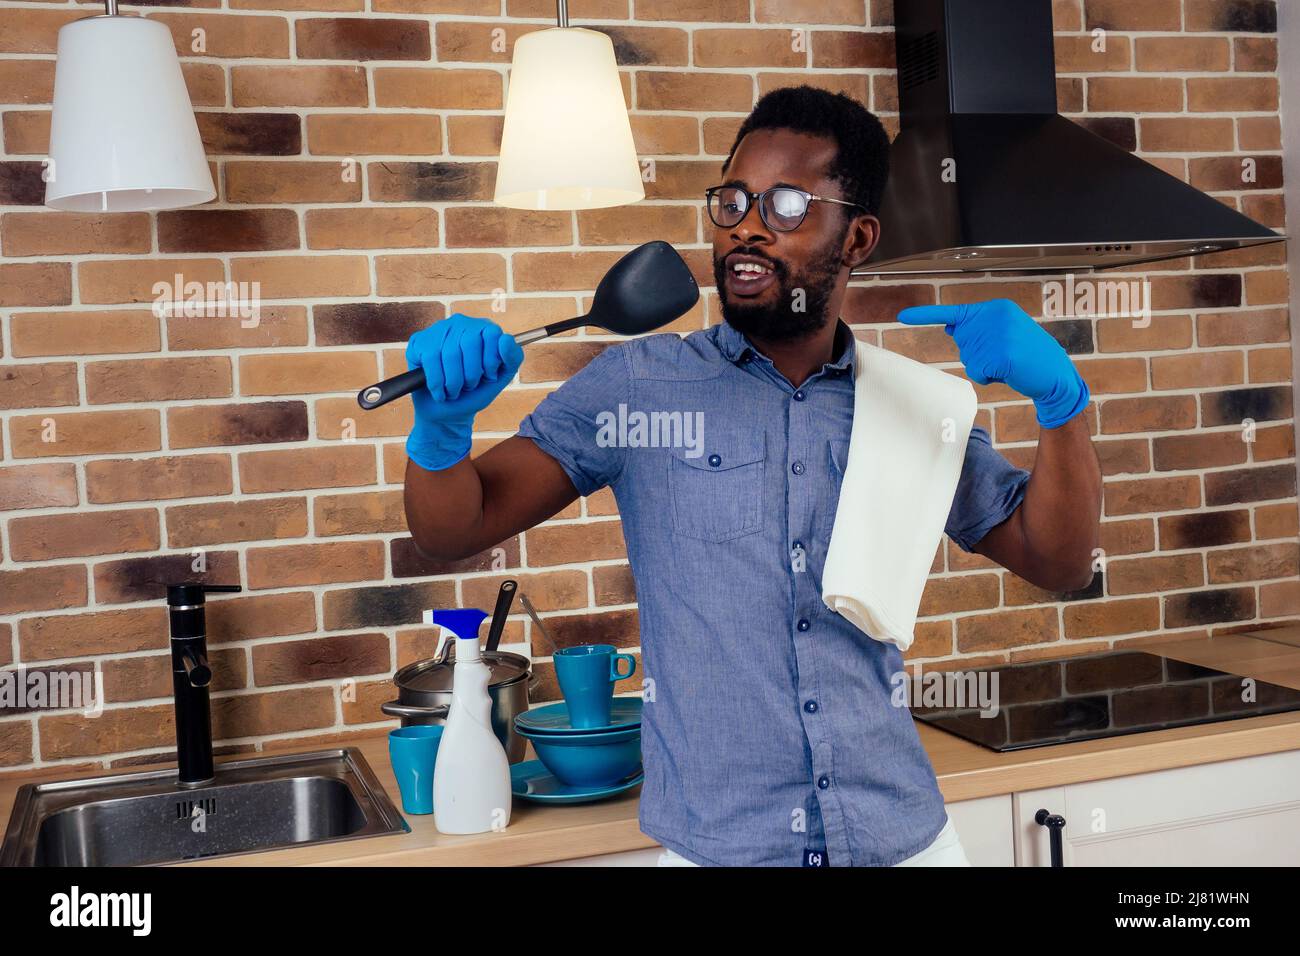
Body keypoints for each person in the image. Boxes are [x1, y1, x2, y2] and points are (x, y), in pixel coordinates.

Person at [401, 86, 1102, 866]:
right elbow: (451, 527)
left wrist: (1061, 403)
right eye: (733, 200)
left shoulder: (906, 403)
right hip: (719, 851)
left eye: (788, 205)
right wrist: (440, 431)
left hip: (902, 842)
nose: (747, 228)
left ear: (859, 236)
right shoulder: (637, 389)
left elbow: (1059, 561)